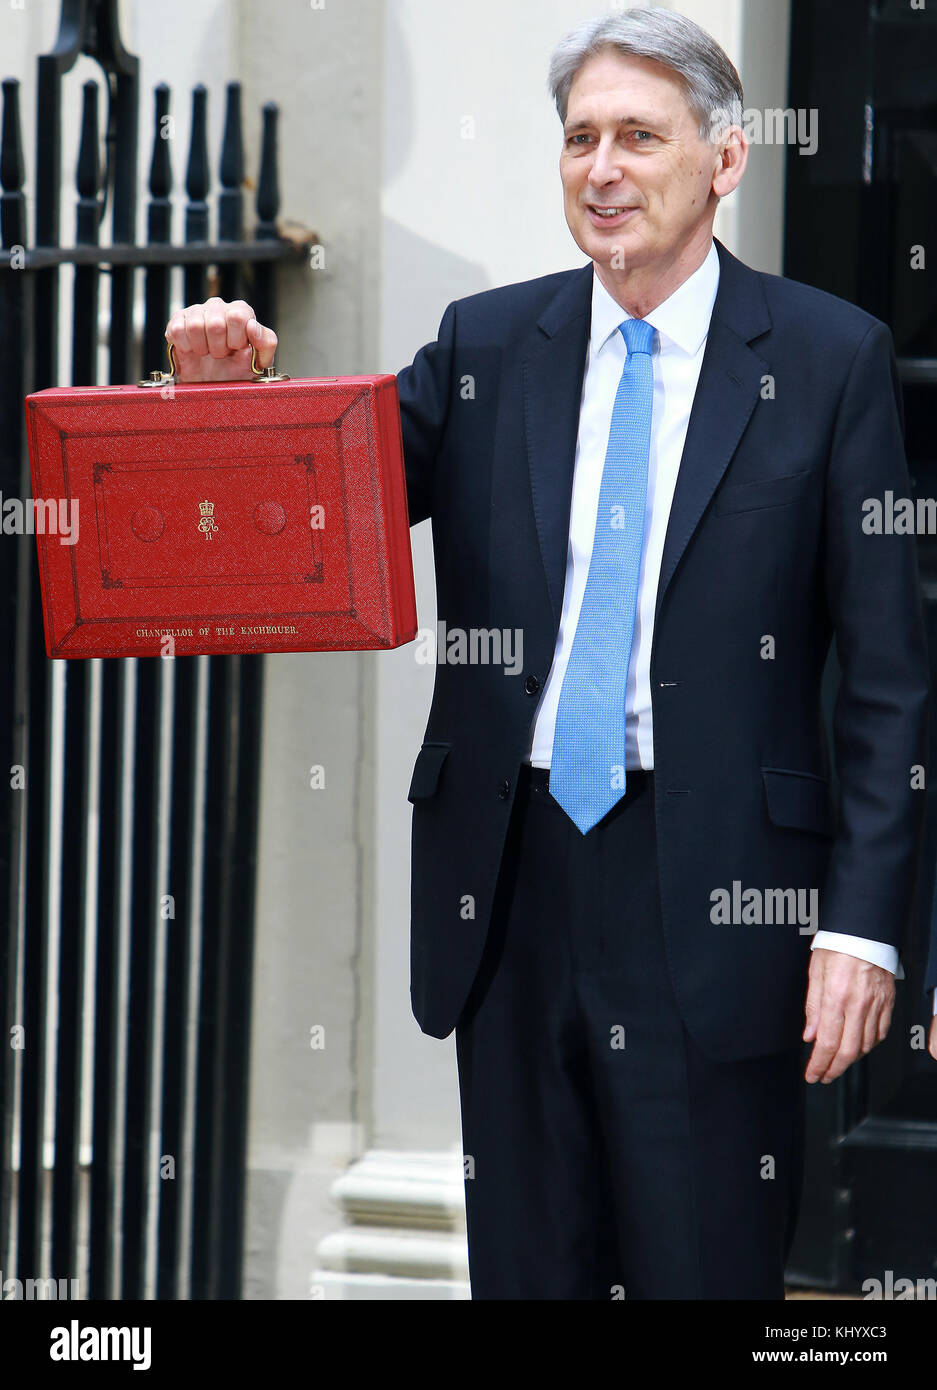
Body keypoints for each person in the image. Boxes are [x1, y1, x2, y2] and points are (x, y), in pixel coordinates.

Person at [165, 7, 929, 1299]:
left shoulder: (822, 358)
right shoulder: (482, 347)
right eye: (579, 138)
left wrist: (862, 926)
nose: (603, 168)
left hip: (715, 895)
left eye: (640, 134)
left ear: (725, 161)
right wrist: (216, 401)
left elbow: (885, 679)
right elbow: (301, 514)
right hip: (507, 884)